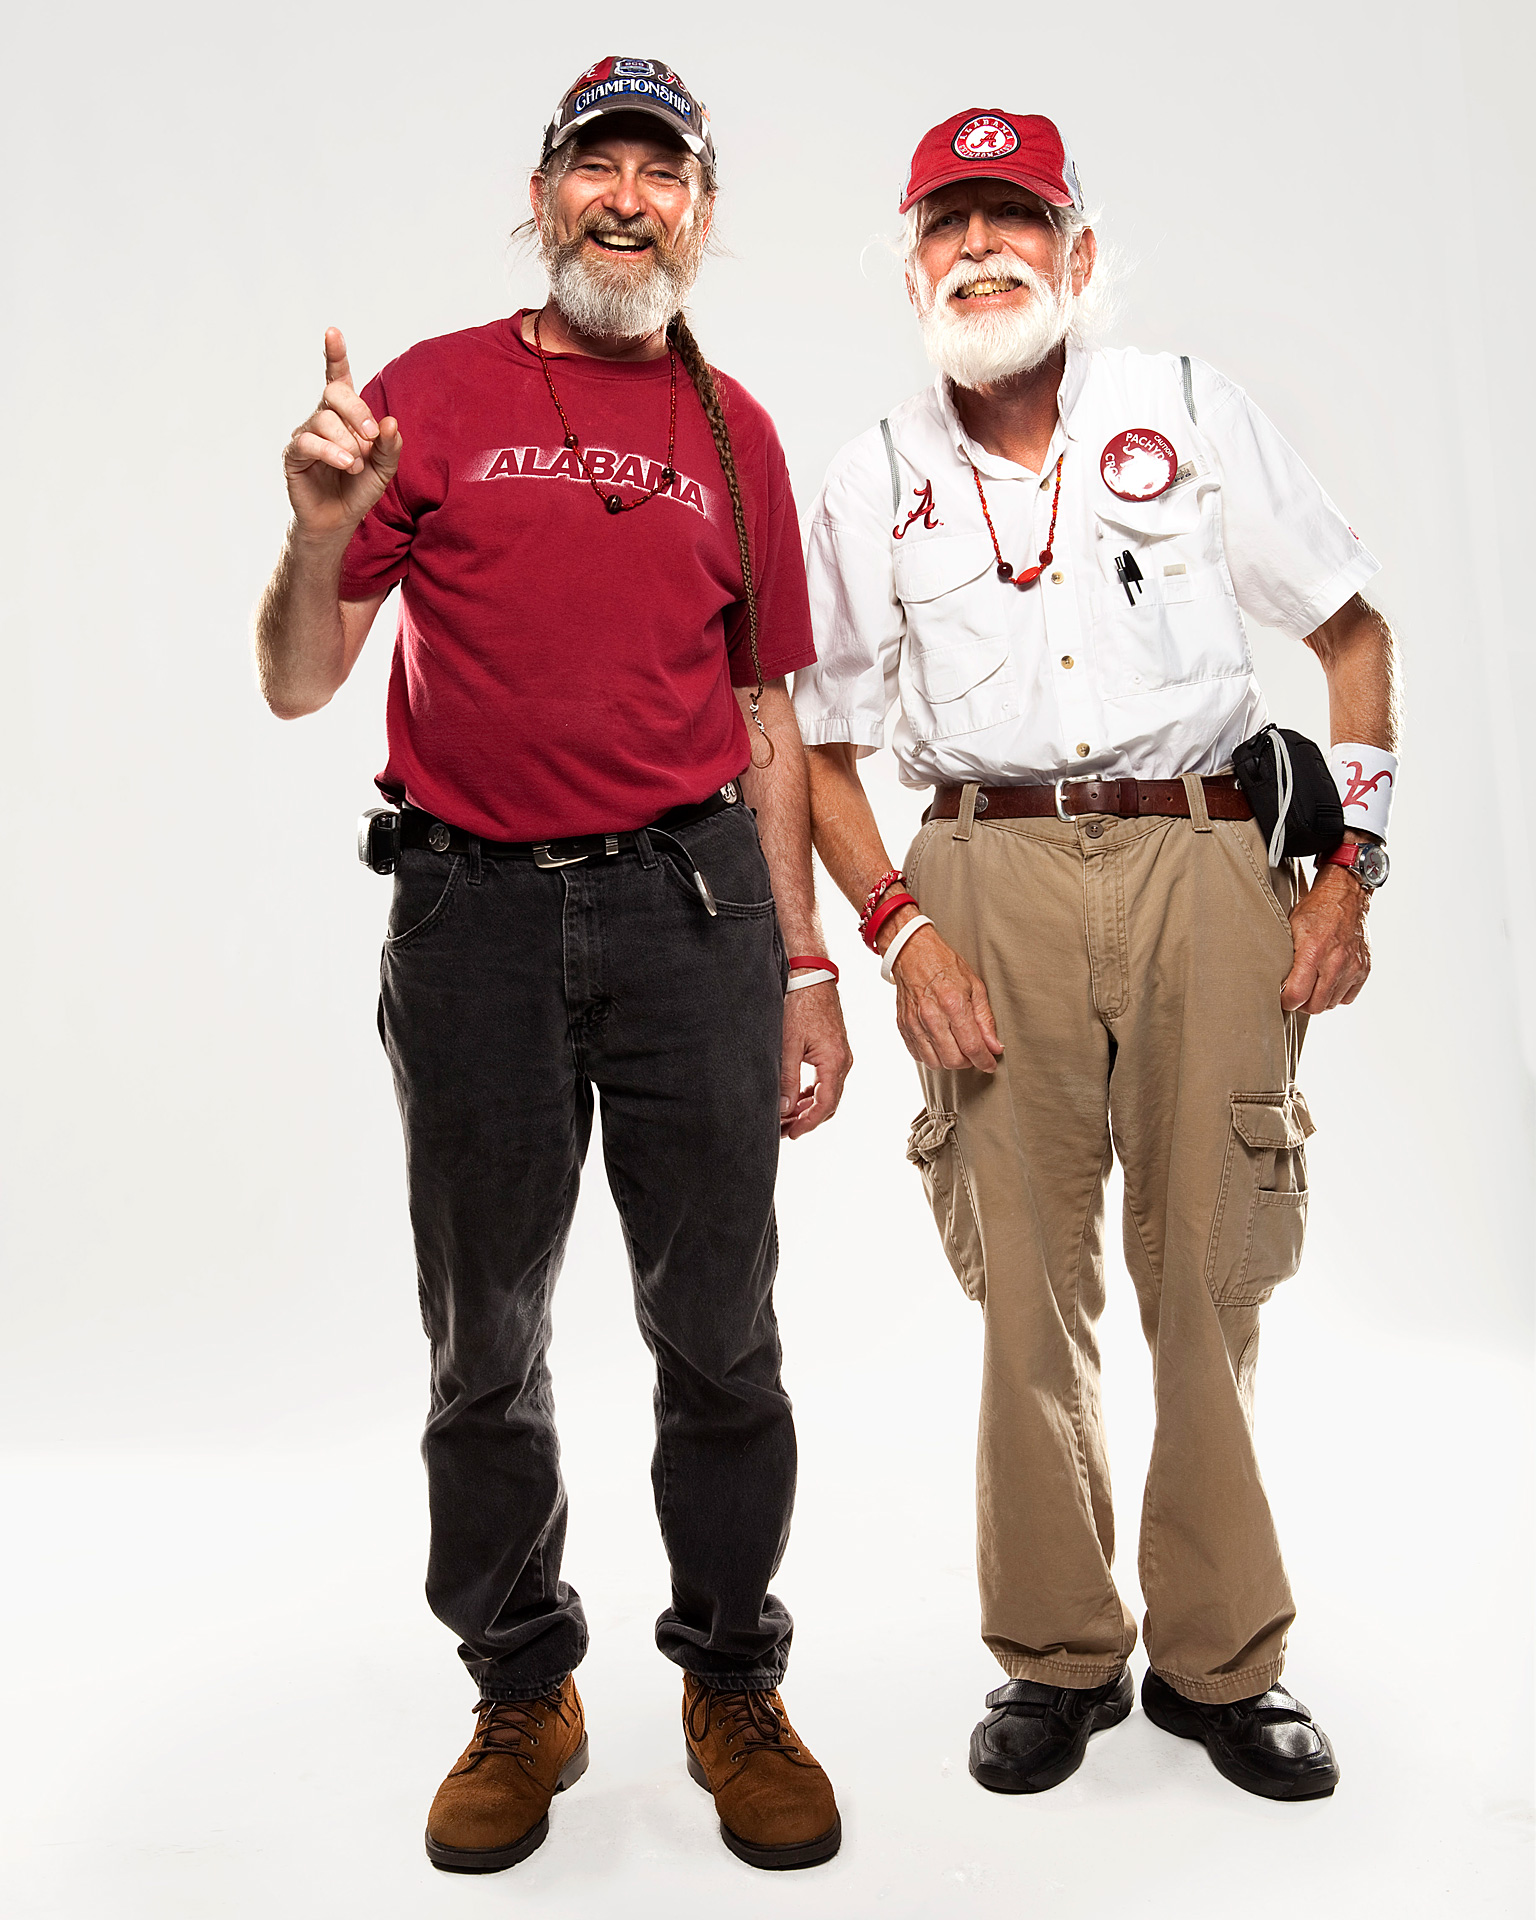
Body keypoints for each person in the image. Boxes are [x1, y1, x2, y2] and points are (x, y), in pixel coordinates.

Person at [254, 56, 850, 1875]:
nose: (627, 196)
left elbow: (765, 716)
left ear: (702, 211)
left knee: (722, 1332)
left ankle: (732, 1676)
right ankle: (522, 1687)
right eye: (597, 163)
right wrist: (318, 525)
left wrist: (808, 964)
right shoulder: (428, 396)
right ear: (541, 195)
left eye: (661, 171)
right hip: (474, 920)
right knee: (483, 1337)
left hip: (693, 917)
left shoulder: (737, 431)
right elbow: (297, 678)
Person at [795, 108, 1399, 1804]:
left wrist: (1347, 873)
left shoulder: (1188, 411)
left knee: (1212, 1257)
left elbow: (1350, 628)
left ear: (1077, 252)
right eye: (948, 225)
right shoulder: (874, 476)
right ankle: (1057, 1655)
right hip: (982, 868)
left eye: (1017, 219)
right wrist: (896, 929)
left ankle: (1222, 1659)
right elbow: (821, 740)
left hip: (1206, 852)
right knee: (1024, 1273)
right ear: (913, 264)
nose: (981, 249)